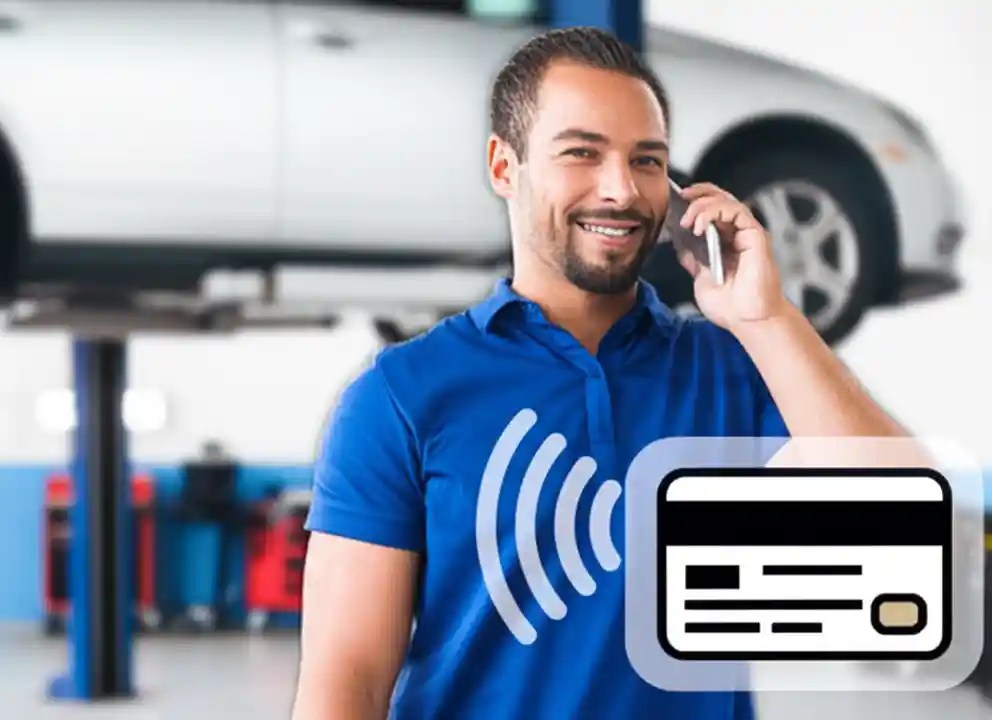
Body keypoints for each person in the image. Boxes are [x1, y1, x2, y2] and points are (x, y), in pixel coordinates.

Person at [289, 26, 907, 720]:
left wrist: (766, 317)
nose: (620, 190)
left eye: (646, 161)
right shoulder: (401, 396)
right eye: (582, 153)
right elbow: (348, 681)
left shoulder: (734, 368)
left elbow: (901, 515)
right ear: (504, 167)